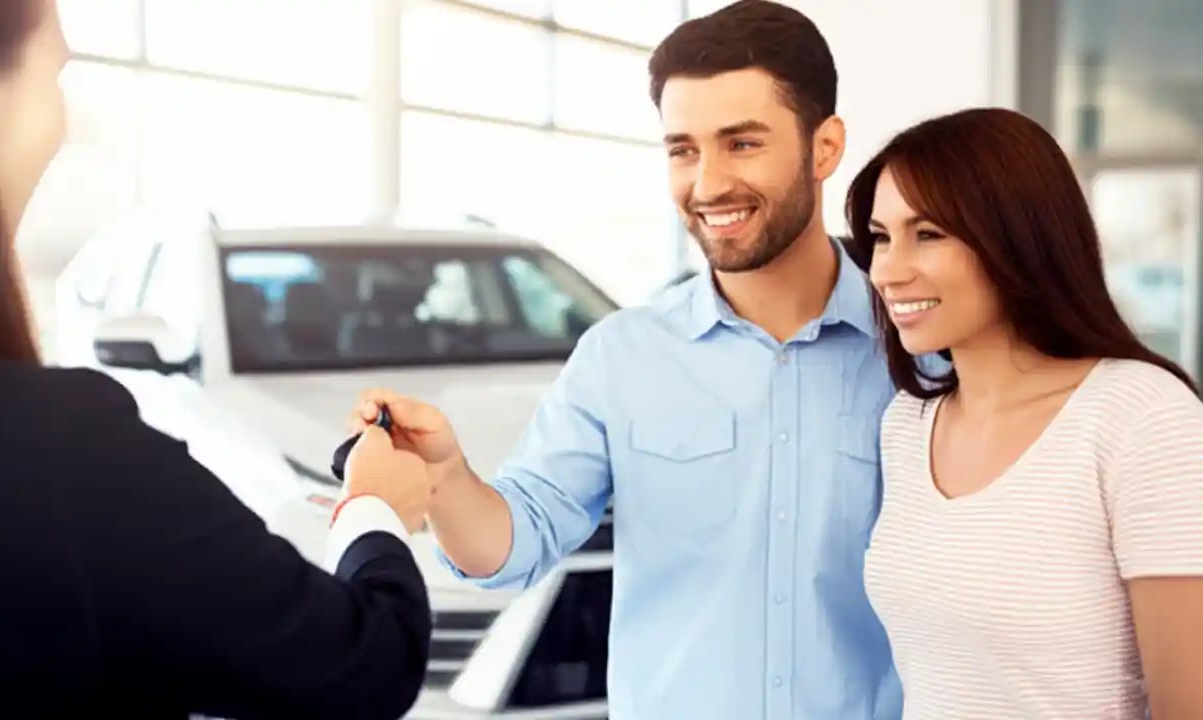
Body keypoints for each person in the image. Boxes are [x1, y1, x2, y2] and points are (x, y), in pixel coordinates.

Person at [351, 2, 901, 718]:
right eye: (683, 149)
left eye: (742, 144)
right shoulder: (622, 356)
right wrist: (448, 477)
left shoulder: (918, 353)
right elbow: (513, 543)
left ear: (825, 147)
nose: (707, 184)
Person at [0, 2, 433, 718]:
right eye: (58, 73)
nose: (65, 121)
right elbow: (365, 663)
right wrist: (372, 508)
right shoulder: (47, 451)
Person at [852, 107, 1203, 719]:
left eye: (928, 233)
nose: (889, 270)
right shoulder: (906, 424)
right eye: (882, 237)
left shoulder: (1142, 417)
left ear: (1018, 238)